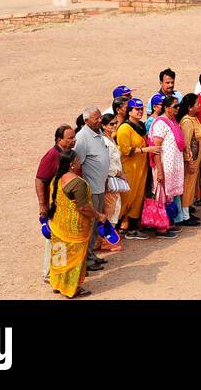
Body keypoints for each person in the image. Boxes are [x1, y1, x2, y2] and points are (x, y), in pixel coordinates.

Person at [47, 149, 103, 298]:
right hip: (74, 229)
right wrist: (98, 215)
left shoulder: (57, 179)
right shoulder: (77, 183)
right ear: (72, 164)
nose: (80, 162)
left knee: (60, 256)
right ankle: (73, 288)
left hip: (59, 226)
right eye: (78, 160)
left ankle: (59, 285)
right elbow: (83, 207)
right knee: (75, 259)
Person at [36, 125, 76, 281]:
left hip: (66, 206)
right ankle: (50, 273)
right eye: (70, 138)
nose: (74, 140)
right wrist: (42, 205)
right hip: (55, 206)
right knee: (54, 239)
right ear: (60, 140)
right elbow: (40, 180)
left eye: (74, 137)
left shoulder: (67, 154)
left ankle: (62, 271)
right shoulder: (52, 156)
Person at [73, 107, 110, 273]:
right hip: (91, 188)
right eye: (96, 118)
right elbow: (76, 165)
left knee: (96, 224)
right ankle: (87, 259)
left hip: (100, 186)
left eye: (100, 117)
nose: (100, 120)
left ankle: (91, 253)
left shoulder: (98, 132)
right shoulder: (82, 138)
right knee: (90, 223)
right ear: (86, 121)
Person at [116, 98, 156, 238]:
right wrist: (146, 149)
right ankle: (119, 225)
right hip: (129, 168)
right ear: (129, 111)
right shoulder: (124, 128)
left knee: (138, 197)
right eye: (136, 109)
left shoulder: (141, 126)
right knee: (127, 197)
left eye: (141, 109)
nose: (140, 112)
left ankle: (132, 226)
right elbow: (125, 150)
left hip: (141, 168)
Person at [150, 94, 188, 234]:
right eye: (175, 106)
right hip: (164, 167)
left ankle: (168, 223)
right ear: (166, 108)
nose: (178, 108)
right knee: (162, 197)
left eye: (178, 106)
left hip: (173, 167)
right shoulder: (161, 123)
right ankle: (161, 228)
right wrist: (159, 170)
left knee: (169, 197)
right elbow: (156, 149)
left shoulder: (173, 121)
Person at [99, 114, 129, 250]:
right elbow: (106, 163)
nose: (114, 126)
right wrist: (119, 174)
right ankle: (106, 241)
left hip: (114, 178)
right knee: (111, 208)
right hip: (109, 179)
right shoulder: (104, 142)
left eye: (115, 123)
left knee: (114, 206)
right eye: (111, 124)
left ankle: (104, 240)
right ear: (103, 126)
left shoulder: (109, 139)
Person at [180, 93, 201, 221]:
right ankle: (185, 216)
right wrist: (189, 161)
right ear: (190, 107)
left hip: (196, 159)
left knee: (191, 185)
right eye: (197, 103)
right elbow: (186, 144)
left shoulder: (194, 118)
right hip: (191, 160)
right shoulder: (187, 122)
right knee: (188, 185)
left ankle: (187, 210)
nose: (199, 105)